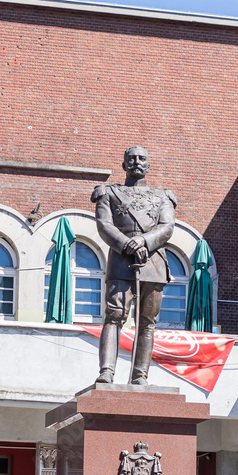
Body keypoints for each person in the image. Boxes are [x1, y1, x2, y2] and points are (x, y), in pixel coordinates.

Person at [91, 146, 177, 385]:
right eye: (131, 158)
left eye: (142, 159)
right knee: (115, 315)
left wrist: (143, 241)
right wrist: (128, 244)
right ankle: (106, 371)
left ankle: (140, 375)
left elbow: (167, 227)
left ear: (148, 165)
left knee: (147, 321)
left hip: (153, 261)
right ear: (123, 165)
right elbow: (104, 225)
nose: (137, 162)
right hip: (121, 259)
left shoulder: (163, 196)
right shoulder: (107, 193)